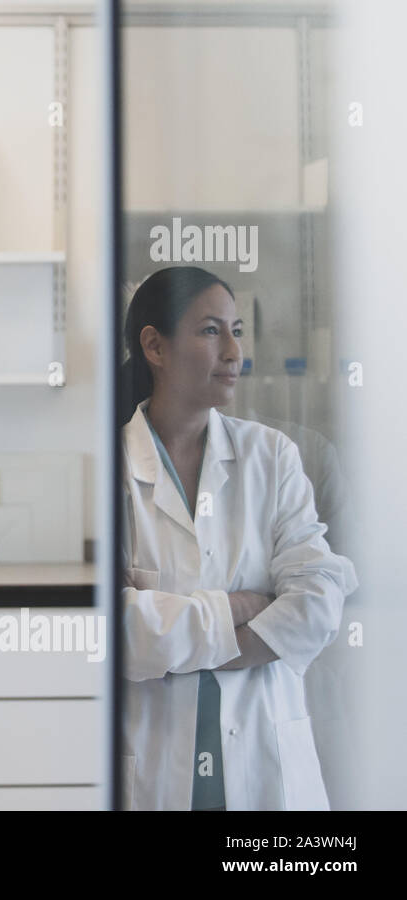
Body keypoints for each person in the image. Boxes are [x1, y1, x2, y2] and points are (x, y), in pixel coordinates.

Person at [118, 266, 357, 810]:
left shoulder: (272, 458)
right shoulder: (111, 469)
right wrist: (244, 610)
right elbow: (117, 633)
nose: (234, 351)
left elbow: (318, 601)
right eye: (210, 331)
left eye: (237, 329)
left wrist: (182, 639)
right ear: (154, 346)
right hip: (152, 770)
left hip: (264, 765)